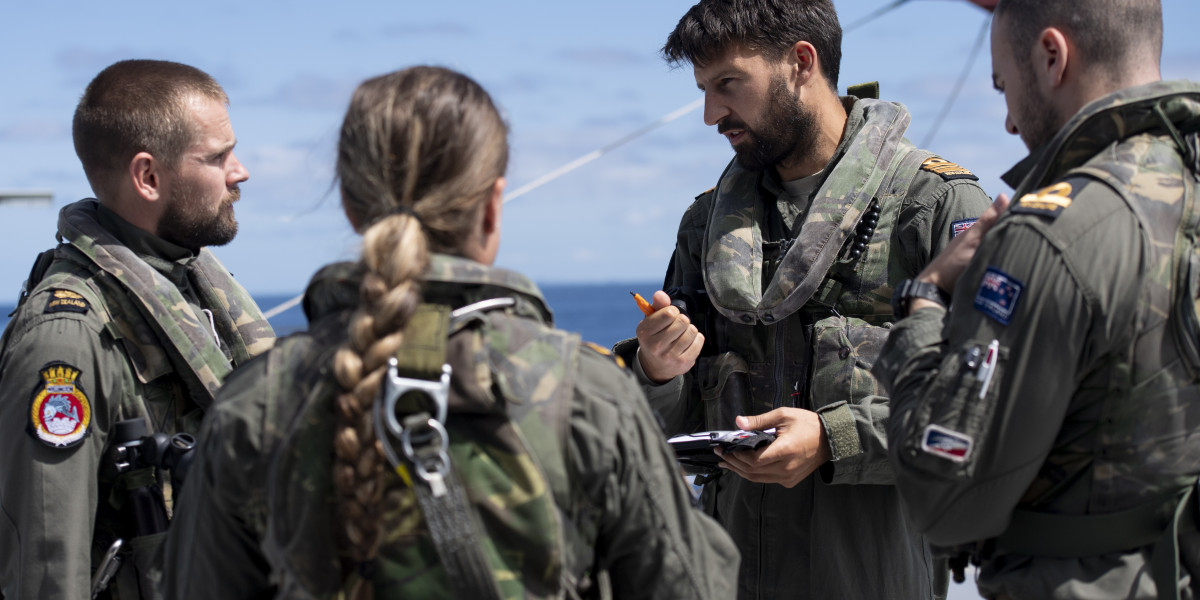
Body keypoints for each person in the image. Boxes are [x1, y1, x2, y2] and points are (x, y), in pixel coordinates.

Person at [161, 65, 738, 600]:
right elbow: (688, 584)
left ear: (350, 207)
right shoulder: (586, 394)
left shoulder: (253, 404)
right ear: (492, 208)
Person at [615, 0, 993, 597]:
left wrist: (832, 440)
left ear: (801, 63)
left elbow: (987, 411)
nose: (712, 114)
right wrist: (658, 371)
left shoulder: (936, 207)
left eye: (728, 85)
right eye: (704, 90)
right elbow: (669, 428)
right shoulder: (707, 224)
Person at [872, 0, 1200, 598]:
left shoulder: (1051, 235)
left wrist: (924, 300)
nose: (1007, 122)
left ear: (1052, 56)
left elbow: (945, 500)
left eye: (1003, 85)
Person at [0, 60, 275, 600]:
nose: (239, 171)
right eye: (217, 157)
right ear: (148, 177)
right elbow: (47, 570)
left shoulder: (192, 289)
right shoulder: (68, 337)